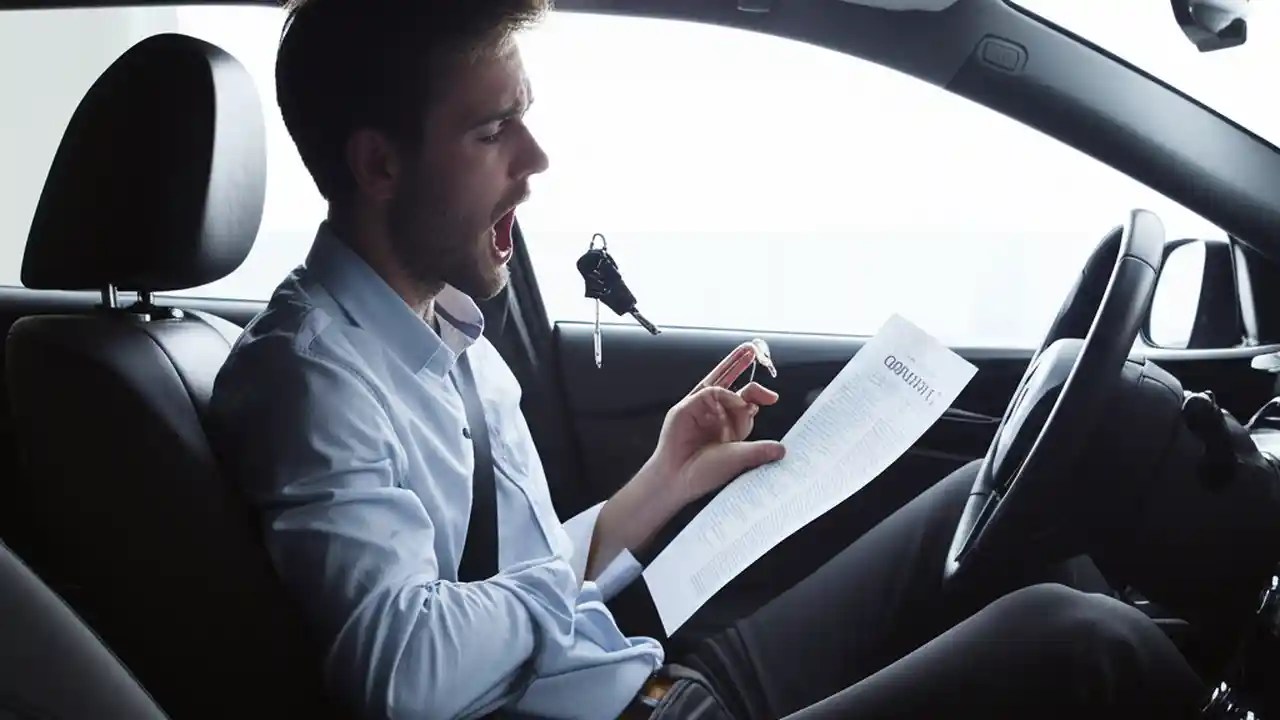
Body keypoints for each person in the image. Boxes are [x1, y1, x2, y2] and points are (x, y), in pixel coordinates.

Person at [208, 1, 1238, 717]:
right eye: (492, 131)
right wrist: (558, 591)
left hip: (651, 683)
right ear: (378, 163)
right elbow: (406, 671)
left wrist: (660, 481)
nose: (535, 160)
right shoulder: (310, 378)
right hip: (622, 705)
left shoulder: (447, 337)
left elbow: (506, 580)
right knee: (1077, 648)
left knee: (1004, 482)